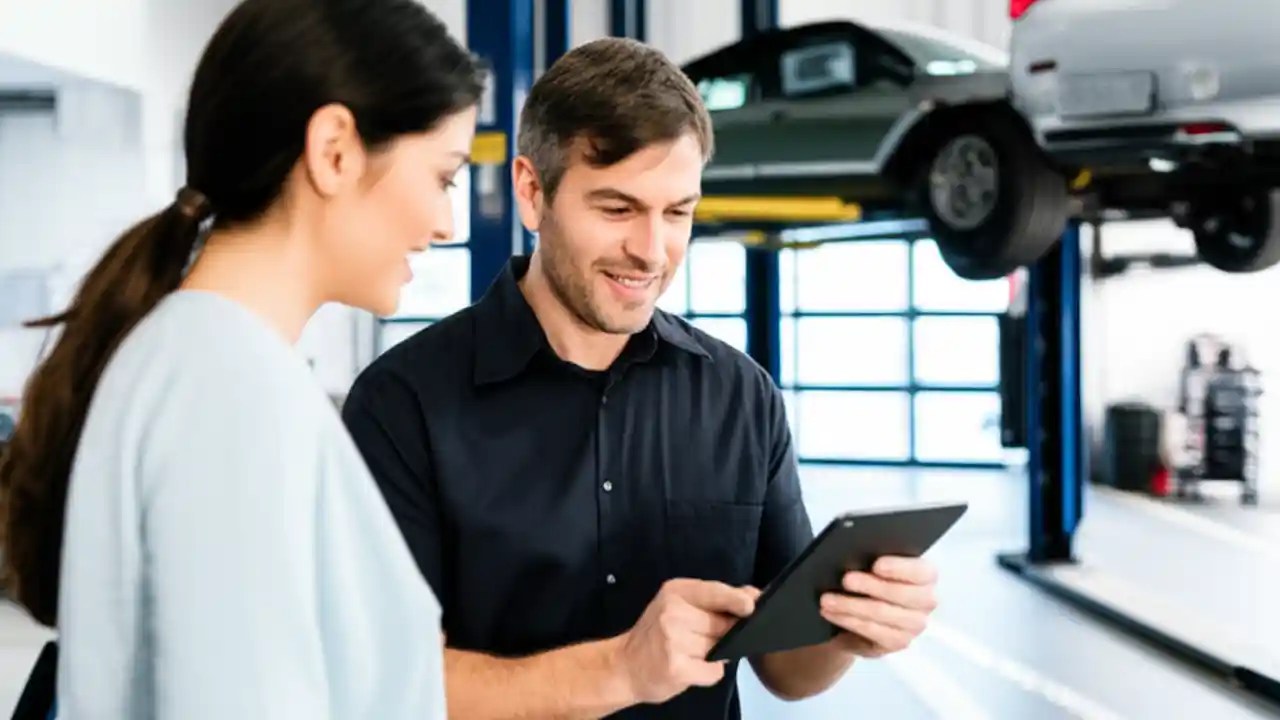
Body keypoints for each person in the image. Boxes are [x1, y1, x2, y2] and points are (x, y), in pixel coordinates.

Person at [342, 37, 940, 719]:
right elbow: (383, 687)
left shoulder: (741, 398)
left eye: (678, 212)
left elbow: (785, 667)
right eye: (617, 209)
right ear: (533, 193)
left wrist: (849, 629)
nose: (651, 251)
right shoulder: (404, 404)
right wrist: (620, 670)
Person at [0, 0, 483, 716]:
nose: (447, 222)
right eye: (443, 176)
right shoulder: (229, 388)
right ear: (335, 152)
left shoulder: (202, 359)